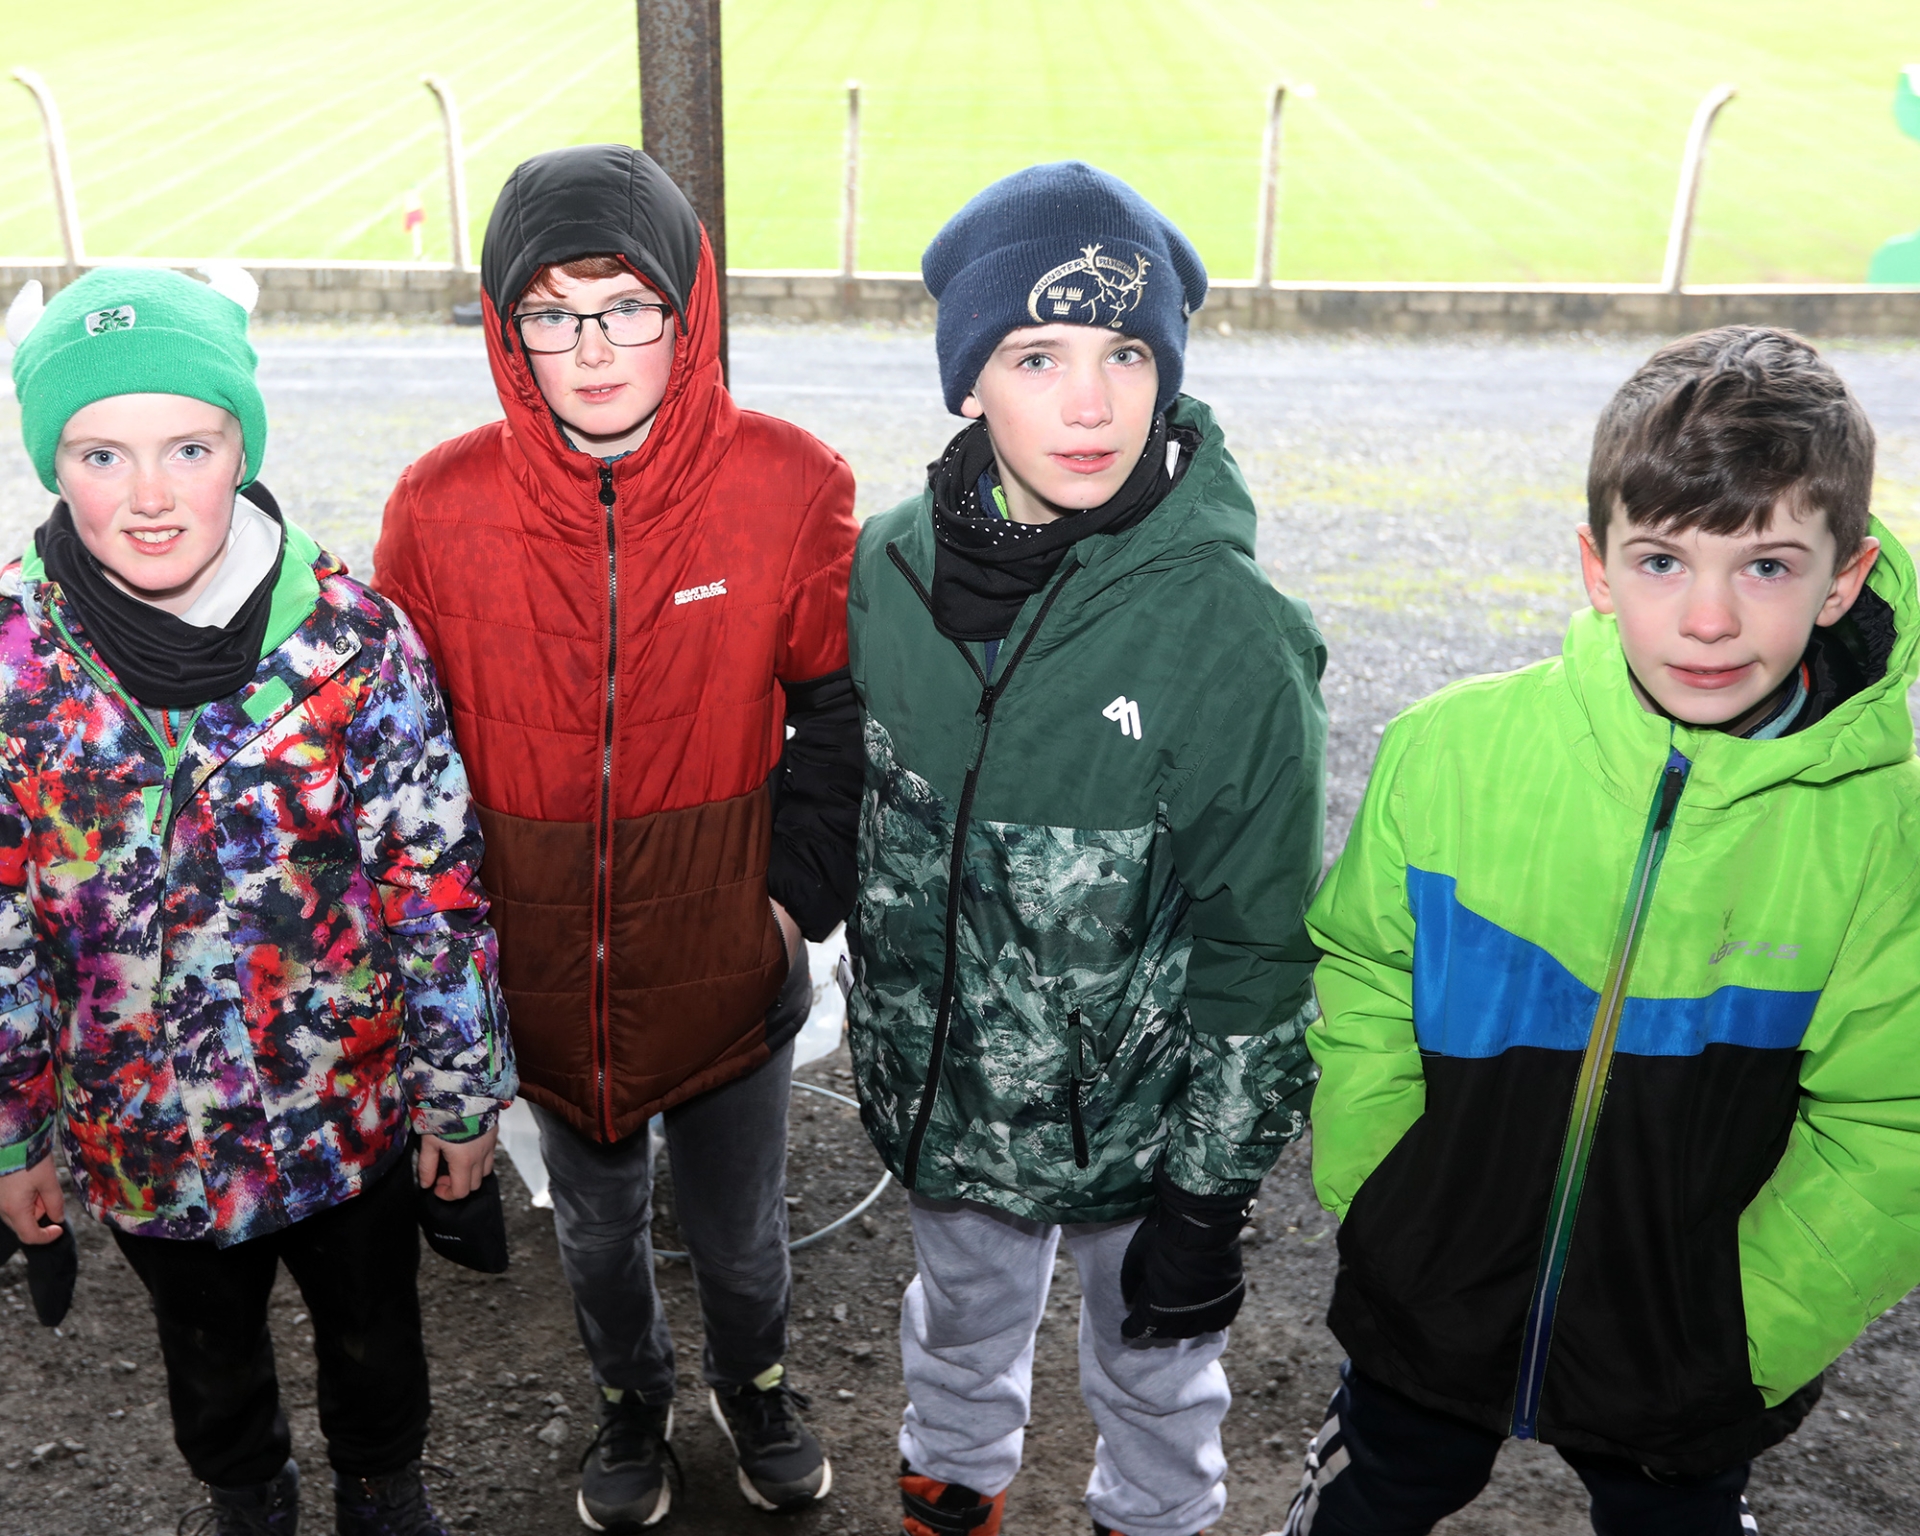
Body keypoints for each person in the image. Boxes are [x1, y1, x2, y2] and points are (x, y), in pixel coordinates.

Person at [1283, 326, 1920, 1536]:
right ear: (1595, 564)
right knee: (1371, 1502)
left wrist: (1748, 1326)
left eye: (1771, 567)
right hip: (1433, 1308)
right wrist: (1386, 1203)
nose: (1712, 618)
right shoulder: (1451, 753)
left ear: (1846, 577)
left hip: (1689, 1359)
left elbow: (1896, 1121)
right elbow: (1364, 971)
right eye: (1664, 560)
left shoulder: (1887, 835)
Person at [373, 144, 860, 1529]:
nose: (591, 347)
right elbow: (400, 760)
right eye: (553, 309)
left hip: (725, 973)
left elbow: (837, 719)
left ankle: (753, 1383)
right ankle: (629, 1398)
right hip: (537, 988)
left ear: (688, 310)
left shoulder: (790, 482)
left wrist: (786, 912)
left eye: (628, 303)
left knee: (742, 1237)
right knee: (591, 1230)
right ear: (503, 324)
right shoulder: (437, 506)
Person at [846, 162, 1328, 1536]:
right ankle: (952, 1493)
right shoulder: (884, 572)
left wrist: (1209, 1192)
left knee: (1158, 1377)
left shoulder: (1231, 633)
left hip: (1141, 1143)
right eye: (1037, 352)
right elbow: (860, 804)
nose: (1090, 400)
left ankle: (1155, 1520)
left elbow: (1263, 942)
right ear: (967, 383)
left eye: (1128, 352)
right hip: (955, 1114)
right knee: (955, 1324)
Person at [0, 265, 515, 1536]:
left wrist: (460, 1095)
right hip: (141, 1140)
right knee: (207, 1358)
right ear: (50, 464)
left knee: (375, 1336)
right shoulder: (13, 667)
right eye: (100, 452)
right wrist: (15, 1132)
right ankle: (248, 1492)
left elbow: (436, 895)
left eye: (191, 444)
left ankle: (382, 1484)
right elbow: (3, 929)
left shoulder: (354, 642)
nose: (152, 491)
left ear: (245, 444)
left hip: (345, 1116)